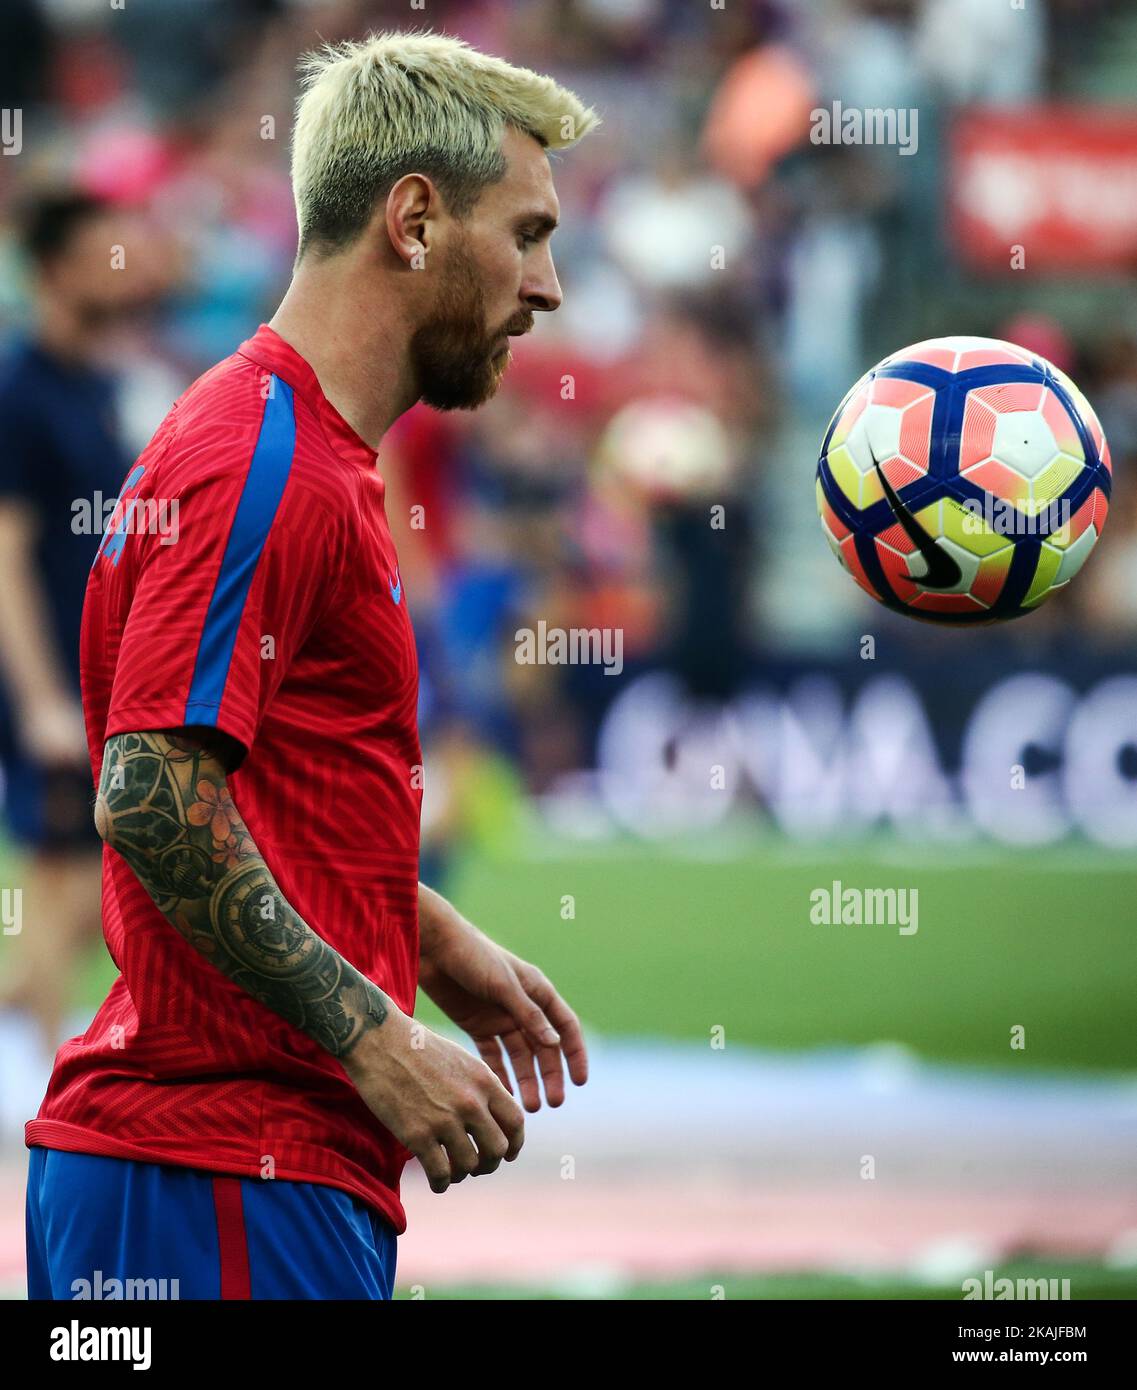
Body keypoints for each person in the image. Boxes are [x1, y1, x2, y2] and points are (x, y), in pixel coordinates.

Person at [25, 31, 597, 1300]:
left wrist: (425, 935)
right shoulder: (262, 458)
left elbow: (255, 779)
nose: (549, 286)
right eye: (528, 234)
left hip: (239, 1173)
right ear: (413, 221)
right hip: (218, 1172)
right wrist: (374, 1036)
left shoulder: (300, 449)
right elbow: (154, 793)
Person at [0, 193, 143, 1061]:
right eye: (101, 251)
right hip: (45, 673)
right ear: (54, 267)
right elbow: (5, 555)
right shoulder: (18, 391)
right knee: (59, 876)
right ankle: (50, 1104)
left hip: (103, 671)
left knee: (106, 885)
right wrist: (41, 697)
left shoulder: (103, 384)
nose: (118, 263)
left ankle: (26, 1001)